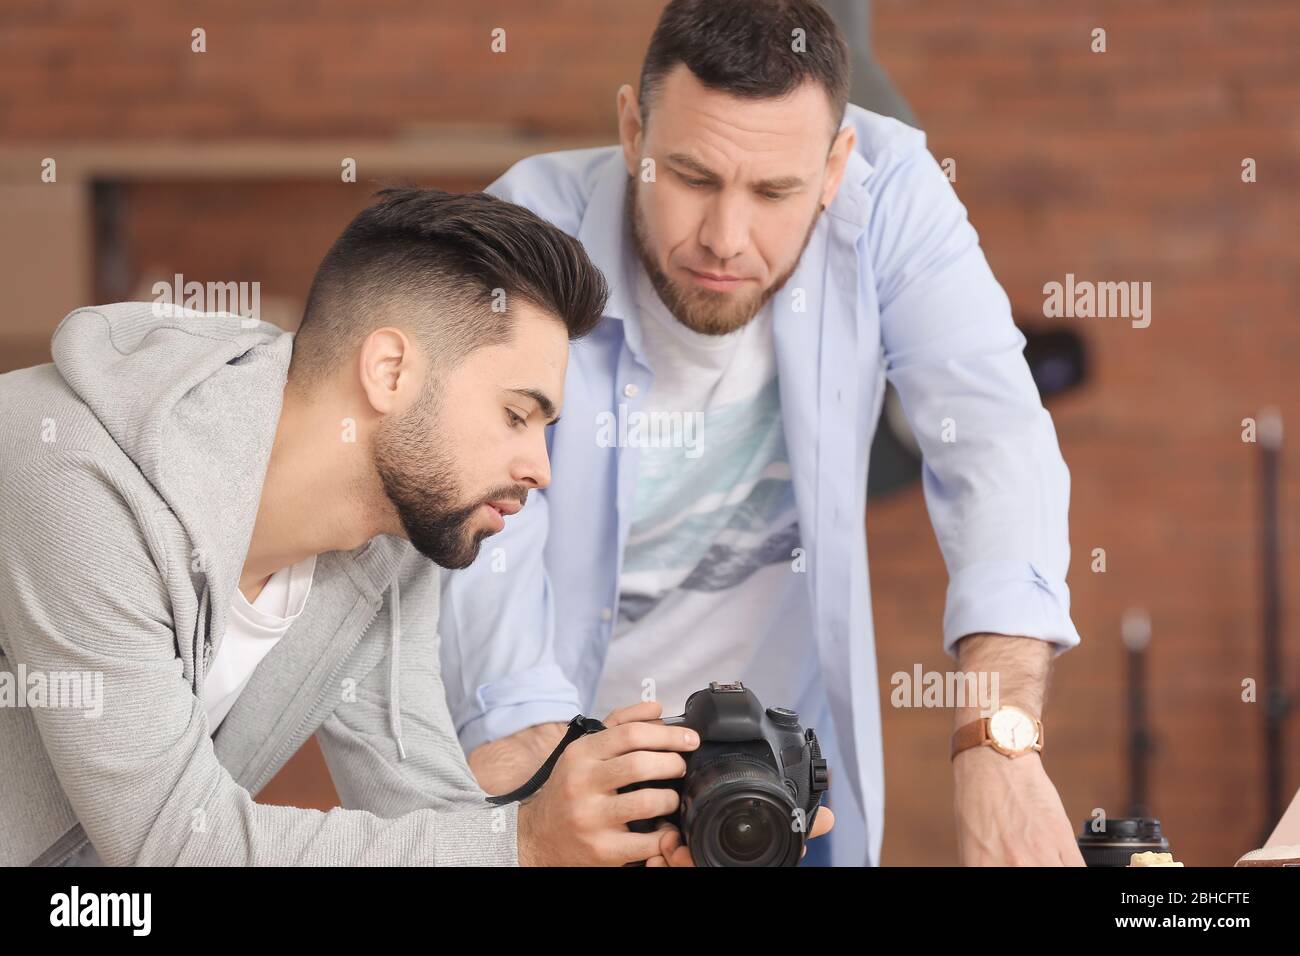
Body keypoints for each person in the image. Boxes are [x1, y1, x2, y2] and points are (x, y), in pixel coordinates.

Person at [441, 0, 1085, 867]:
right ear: (632, 132)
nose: (725, 239)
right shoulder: (525, 230)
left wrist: (996, 743)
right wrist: (541, 779)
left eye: (775, 191)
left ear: (833, 166)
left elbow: (995, 438)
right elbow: (481, 526)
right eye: (694, 177)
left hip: (782, 778)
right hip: (568, 750)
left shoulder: (890, 193)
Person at [0, 186, 701, 866]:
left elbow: (432, 818)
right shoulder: (77, 472)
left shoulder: (393, 543)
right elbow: (175, 844)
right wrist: (523, 845)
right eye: (517, 415)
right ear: (390, 371)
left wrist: (606, 829)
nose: (540, 469)